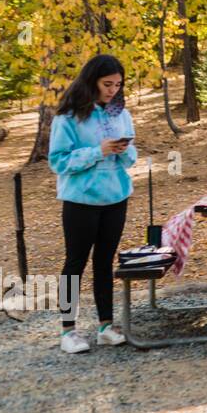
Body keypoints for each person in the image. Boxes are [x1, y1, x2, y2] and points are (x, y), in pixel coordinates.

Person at [49, 54, 138, 353]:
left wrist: (124, 150)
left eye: (118, 84)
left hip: (116, 196)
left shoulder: (120, 113)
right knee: (75, 263)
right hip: (81, 199)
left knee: (105, 261)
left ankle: (104, 326)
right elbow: (58, 162)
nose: (113, 90)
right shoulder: (68, 117)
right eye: (107, 84)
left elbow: (132, 157)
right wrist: (97, 151)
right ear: (91, 81)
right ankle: (67, 331)